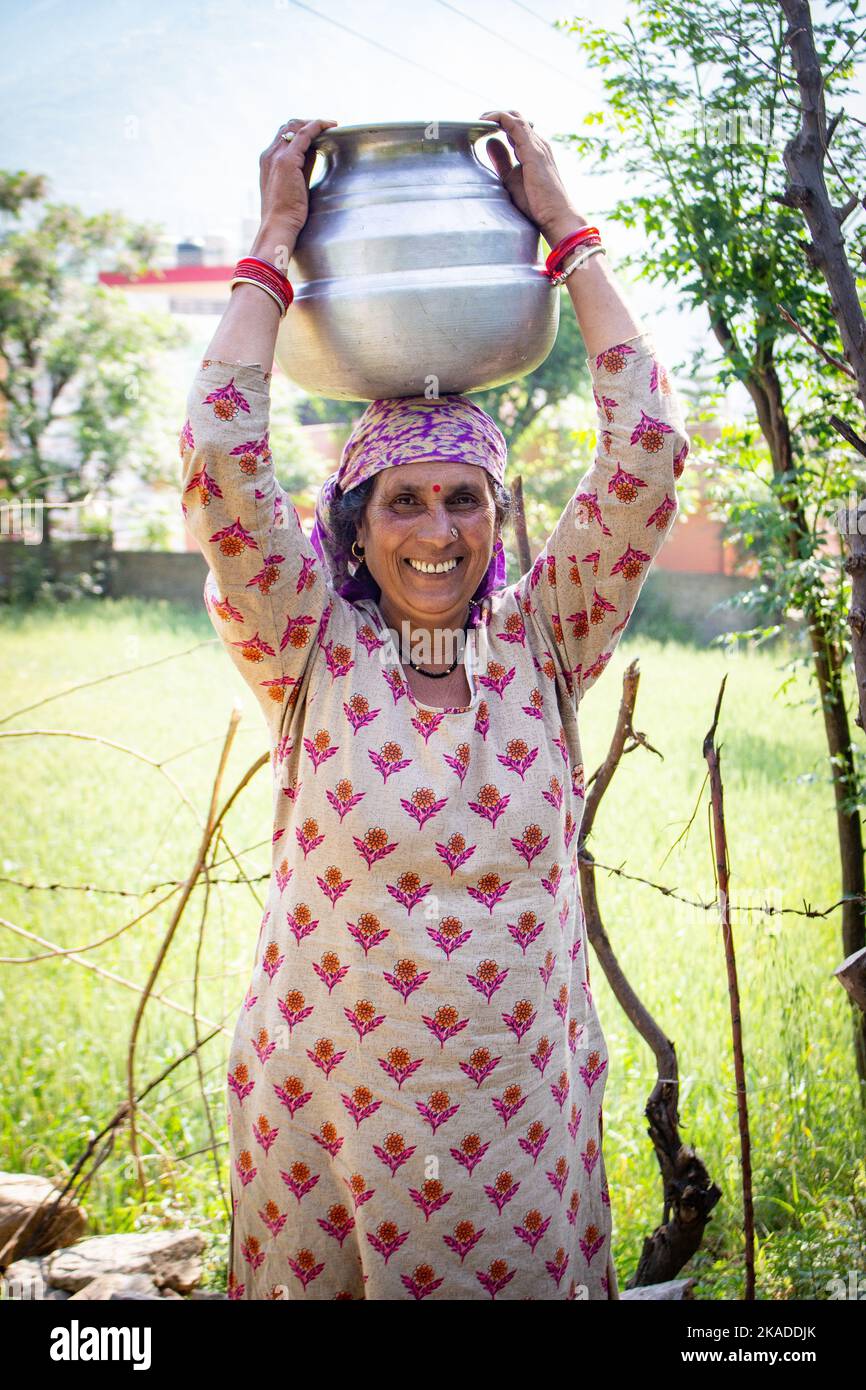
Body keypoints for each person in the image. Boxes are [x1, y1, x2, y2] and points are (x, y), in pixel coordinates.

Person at [179, 111, 690, 1300]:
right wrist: (273, 241)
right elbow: (218, 451)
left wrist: (565, 233)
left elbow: (650, 444)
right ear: (354, 524)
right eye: (402, 500)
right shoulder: (307, 646)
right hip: (326, 1112)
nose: (438, 530)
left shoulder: (544, 643)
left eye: (467, 498)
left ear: (502, 520)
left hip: (512, 1135)